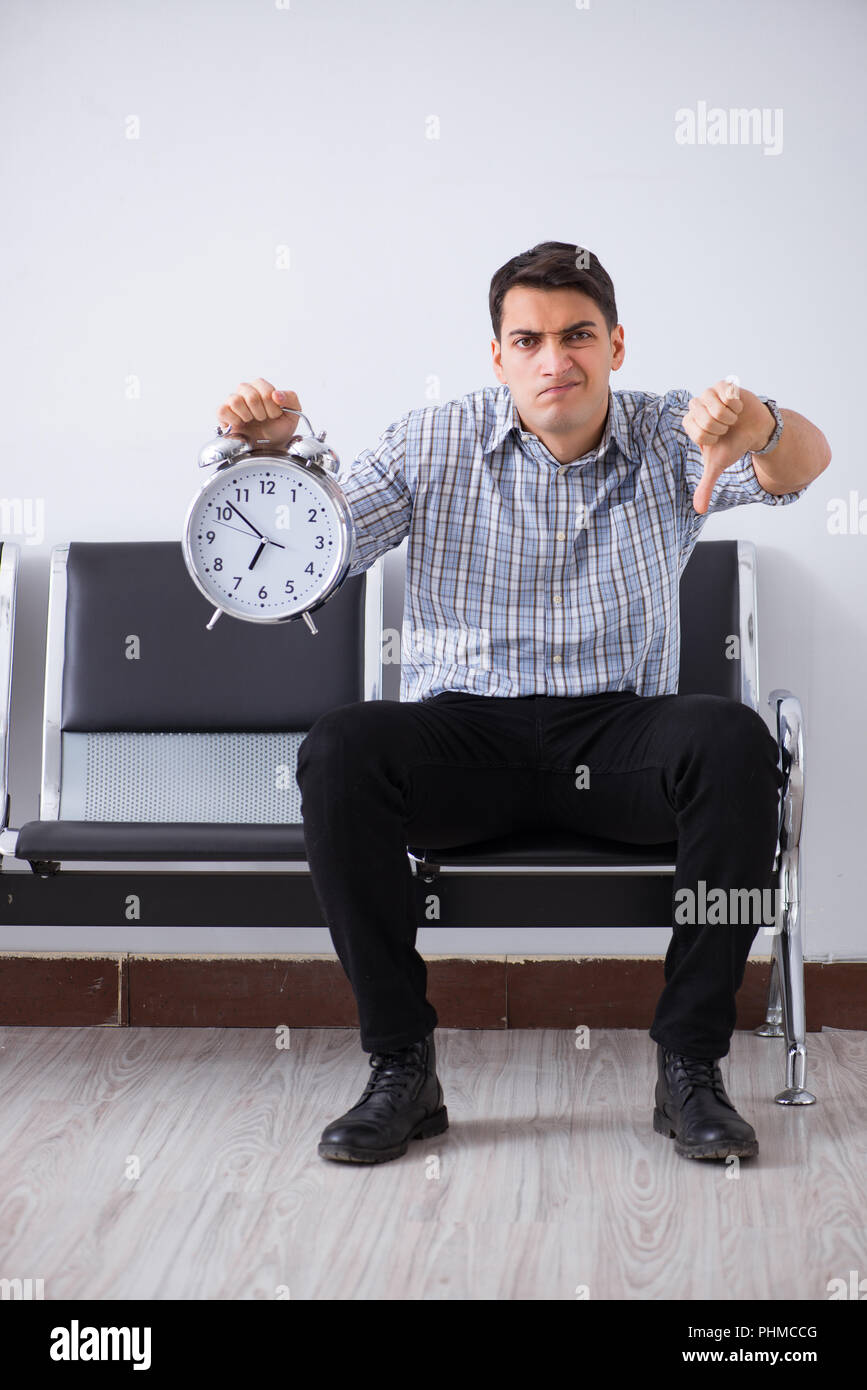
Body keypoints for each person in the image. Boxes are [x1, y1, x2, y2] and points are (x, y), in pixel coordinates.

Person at [216, 241, 831, 1167]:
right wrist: (272, 462)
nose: (556, 360)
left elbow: (803, 468)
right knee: (342, 746)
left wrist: (763, 423)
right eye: (530, 339)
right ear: (496, 354)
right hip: (465, 738)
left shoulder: (673, 433)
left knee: (732, 739)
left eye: (578, 335)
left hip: (618, 733)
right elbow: (316, 560)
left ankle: (689, 1068)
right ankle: (401, 1069)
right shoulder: (430, 440)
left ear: (615, 345)